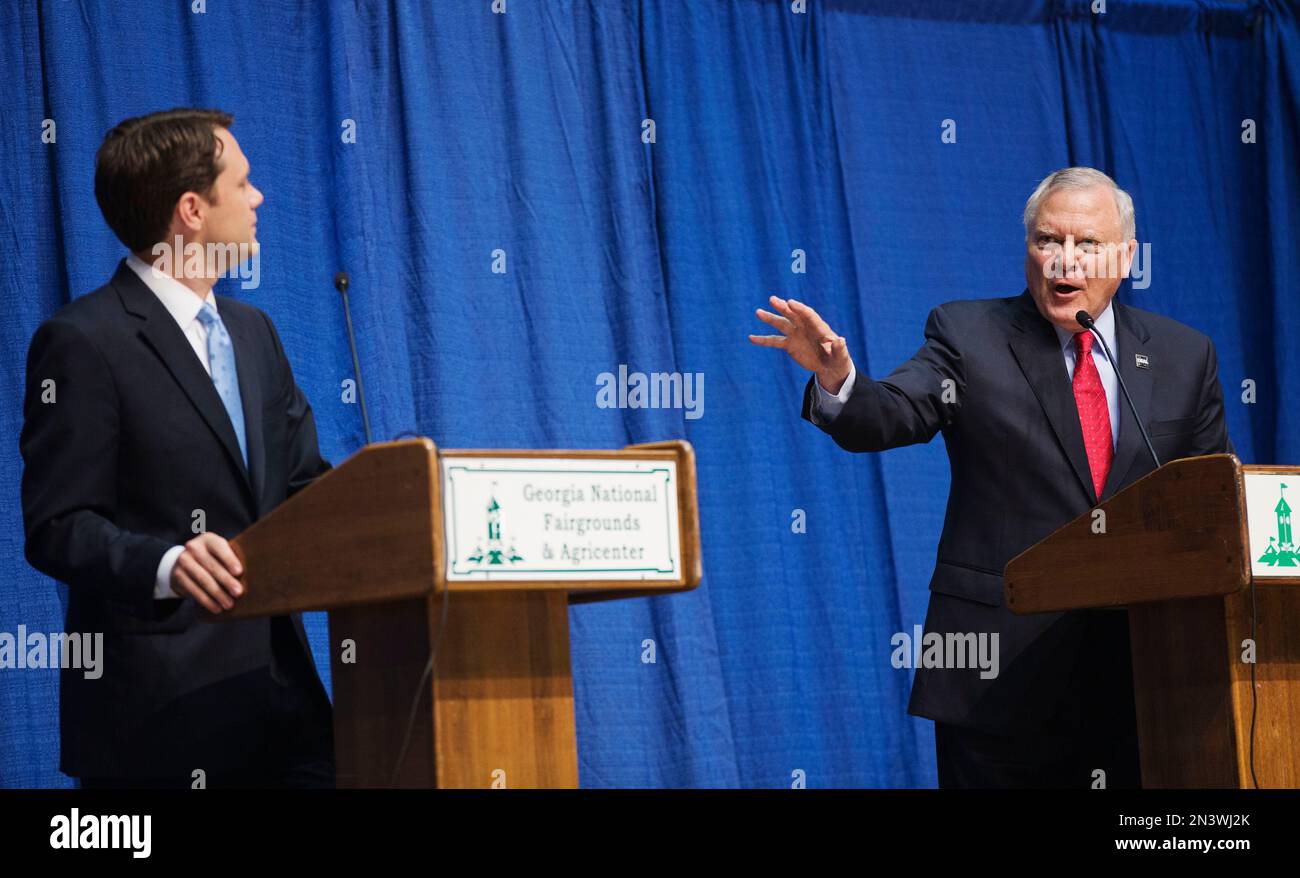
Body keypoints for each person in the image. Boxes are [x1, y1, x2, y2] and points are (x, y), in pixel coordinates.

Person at [749, 167, 1232, 788]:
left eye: (1087, 245)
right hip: (997, 679)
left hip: (1147, 680)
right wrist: (840, 381)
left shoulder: (1183, 355)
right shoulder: (969, 335)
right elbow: (895, 411)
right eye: (1047, 241)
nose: (1065, 262)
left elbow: (1217, 501)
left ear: (1126, 255)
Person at [20, 108, 335, 788]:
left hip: (287, 715)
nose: (258, 199)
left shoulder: (255, 334)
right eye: (244, 184)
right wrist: (165, 563)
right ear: (192, 209)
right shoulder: (84, 342)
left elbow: (309, 488)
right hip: (160, 721)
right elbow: (57, 527)